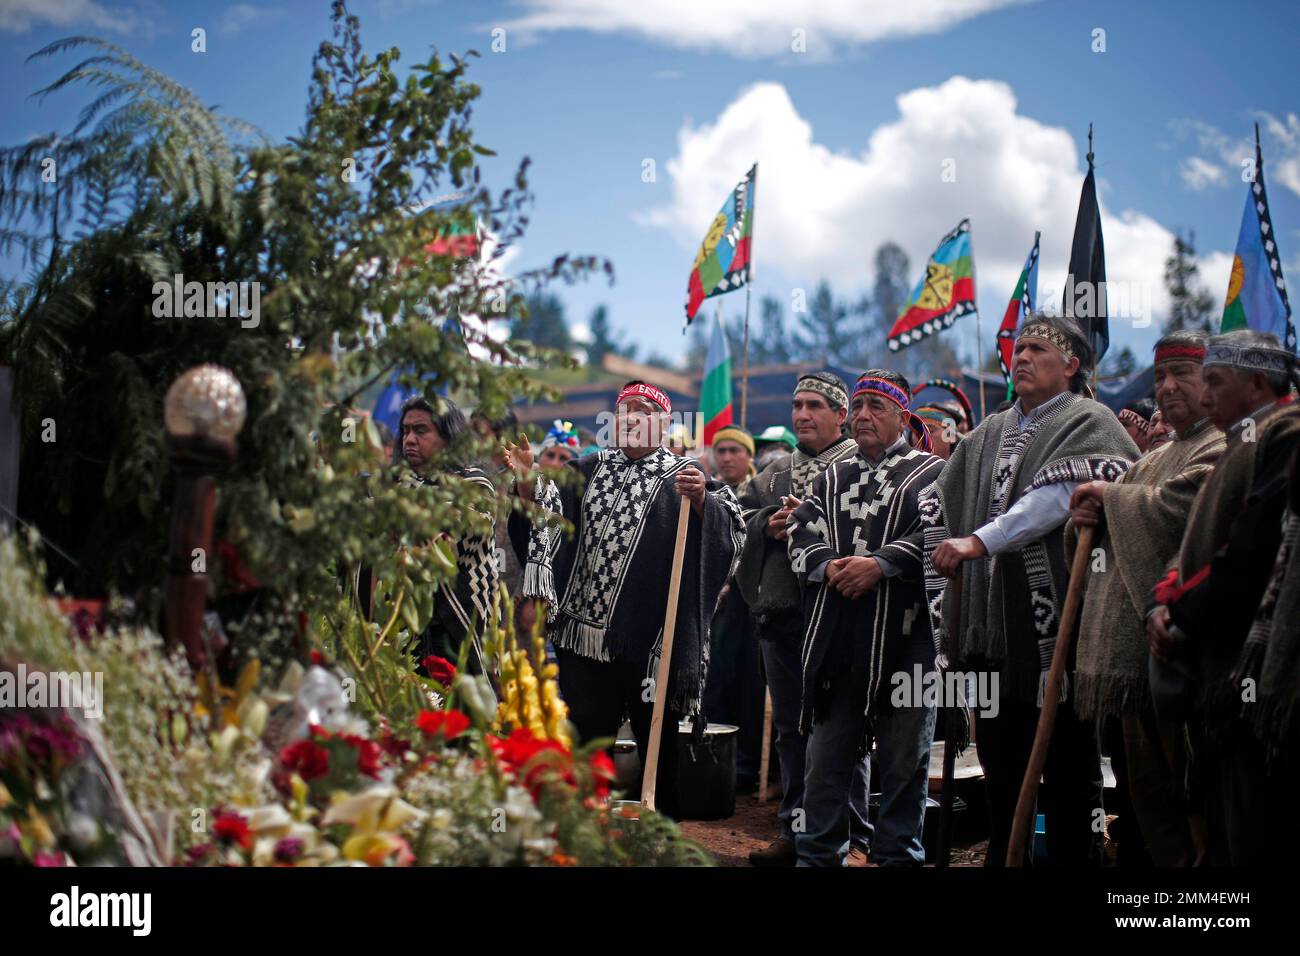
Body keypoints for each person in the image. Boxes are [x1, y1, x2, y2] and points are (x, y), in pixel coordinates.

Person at [925, 313, 1139, 866]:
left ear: (1070, 365)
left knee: (1069, 768)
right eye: (1018, 349)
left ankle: (1076, 858)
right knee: (1002, 761)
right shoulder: (988, 432)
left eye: (1037, 349)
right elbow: (938, 500)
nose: (1021, 357)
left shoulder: (1091, 421)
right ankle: (1006, 854)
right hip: (992, 632)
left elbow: (1057, 500)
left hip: (1058, 632)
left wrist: (979, 541)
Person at [509, 381, 745, 815]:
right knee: (588, 737)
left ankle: (663, 833)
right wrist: (526, 482)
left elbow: (731, 528)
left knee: (658, 741)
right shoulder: (585, 468)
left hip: (652, 639)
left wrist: (699, 504)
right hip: (582, 634)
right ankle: (585, 826)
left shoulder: (684, 476)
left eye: (643, 409)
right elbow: (541, 515)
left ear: (664, 424)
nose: (631, 416)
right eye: (624, 409)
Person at [1070, 331, 1224, 865]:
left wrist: (1109, 498)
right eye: (1160, 376)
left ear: (1215, 381)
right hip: (1135, 668)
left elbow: (1187, 507)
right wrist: (1088, 516)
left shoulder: (1222, 444)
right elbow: (1111, 524)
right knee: (1152, 804)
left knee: (1194, 801)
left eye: (1183, 373)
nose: (1167, 387)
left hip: (1187, 667)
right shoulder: (1153, 458)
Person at [1149, 330, 1300, 864]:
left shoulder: (1286, 434)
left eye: (1214, 381)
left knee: (1254, 837)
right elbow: (1200, 543)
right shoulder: (1244, 440)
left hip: (1253, 675)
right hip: (1223, 677)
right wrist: (1163, 599)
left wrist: (1181, 616)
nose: (1204, 396)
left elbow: (1251, 552)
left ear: (1258, 382)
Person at [787, 370, 946, 866]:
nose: (862, 416)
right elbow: (801, 534)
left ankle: (899, 856)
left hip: (910, 636)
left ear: (902, 416)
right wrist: (830, 564)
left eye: (876, 406)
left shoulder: (931, 473)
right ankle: (817, 857)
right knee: (826, 758)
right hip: (839, 638)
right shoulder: (832, 475)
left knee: (904, 759)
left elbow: (941, 537)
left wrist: (881, 564)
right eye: (857, 407)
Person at [734, 372, 864, 866]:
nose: (802, 415)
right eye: (797, 406)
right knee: (791, 726)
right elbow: (737, 519)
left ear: (840, 414)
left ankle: (855, 834)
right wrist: (763, 527)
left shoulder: (861, 465)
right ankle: (796, 829)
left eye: (814, 406)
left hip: (842, 616)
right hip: (784, 618)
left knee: (847, 725)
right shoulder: (773, 474)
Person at [397, 396, 499, 676]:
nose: (410, 439)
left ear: (448, 436)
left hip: (460, 619)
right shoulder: (398, 485)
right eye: (405, 431)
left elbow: (446, 531)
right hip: (407, 624)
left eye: (421, 430)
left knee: (463, 712)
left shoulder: (475, 483)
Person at [701, 424, 764, 791]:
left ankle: (748, 764)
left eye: (734, 451)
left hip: (752, 603)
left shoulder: (758, 493)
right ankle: (715, 761)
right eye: (720, 451)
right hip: (718, 605)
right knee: (718, 678)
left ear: (749, 457)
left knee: (750, 683)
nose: (726, 458)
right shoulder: (708, 493)